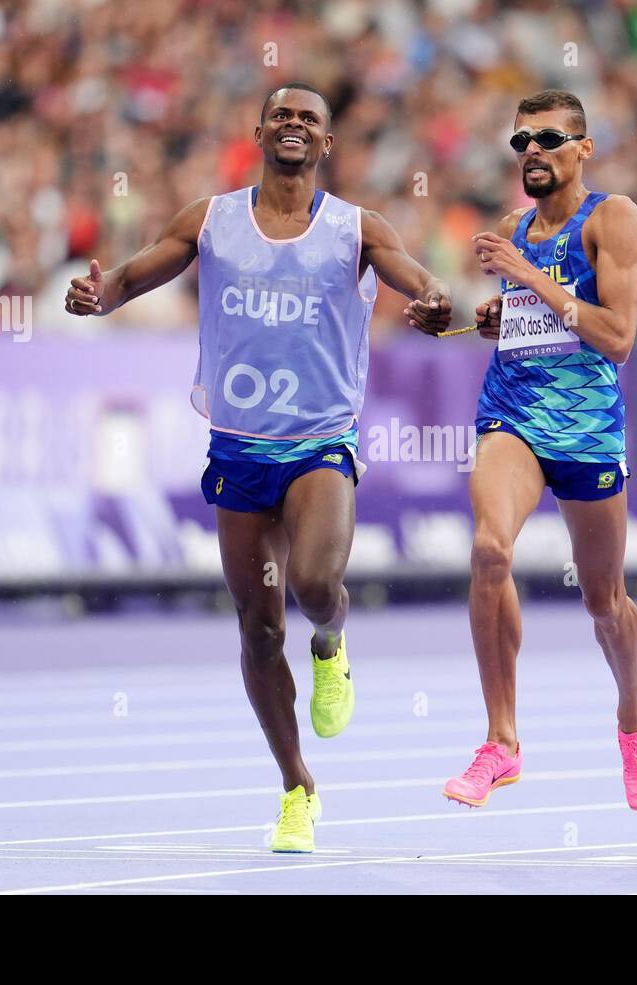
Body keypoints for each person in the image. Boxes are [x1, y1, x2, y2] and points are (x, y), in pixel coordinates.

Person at [65, 82, 452, 852]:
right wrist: (98, 294)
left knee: (312, 586)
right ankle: (296, 787)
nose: (294, 125)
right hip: (239, 446)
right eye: (282, 114)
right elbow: (137, 274)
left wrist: (437, 297)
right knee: (257, 627)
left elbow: (416, 276)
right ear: (259, 131)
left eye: (309, 117)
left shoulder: (355, 228)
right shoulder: (211, 220)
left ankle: (333, 644)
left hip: (318, 443)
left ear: (326, 143)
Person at [443, 90, 637, 811]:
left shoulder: (614, 218)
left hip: (587, 427)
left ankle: (633, 716)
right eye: (520, 143)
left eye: (547, 138)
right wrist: (498, 316)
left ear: (583, 148)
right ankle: (500, 741)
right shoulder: (514, 227)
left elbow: (617, 338)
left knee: (605, 601)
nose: (531, 151)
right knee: (488, 551)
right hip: (511, 414)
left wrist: (529, 279)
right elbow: (534, 318)